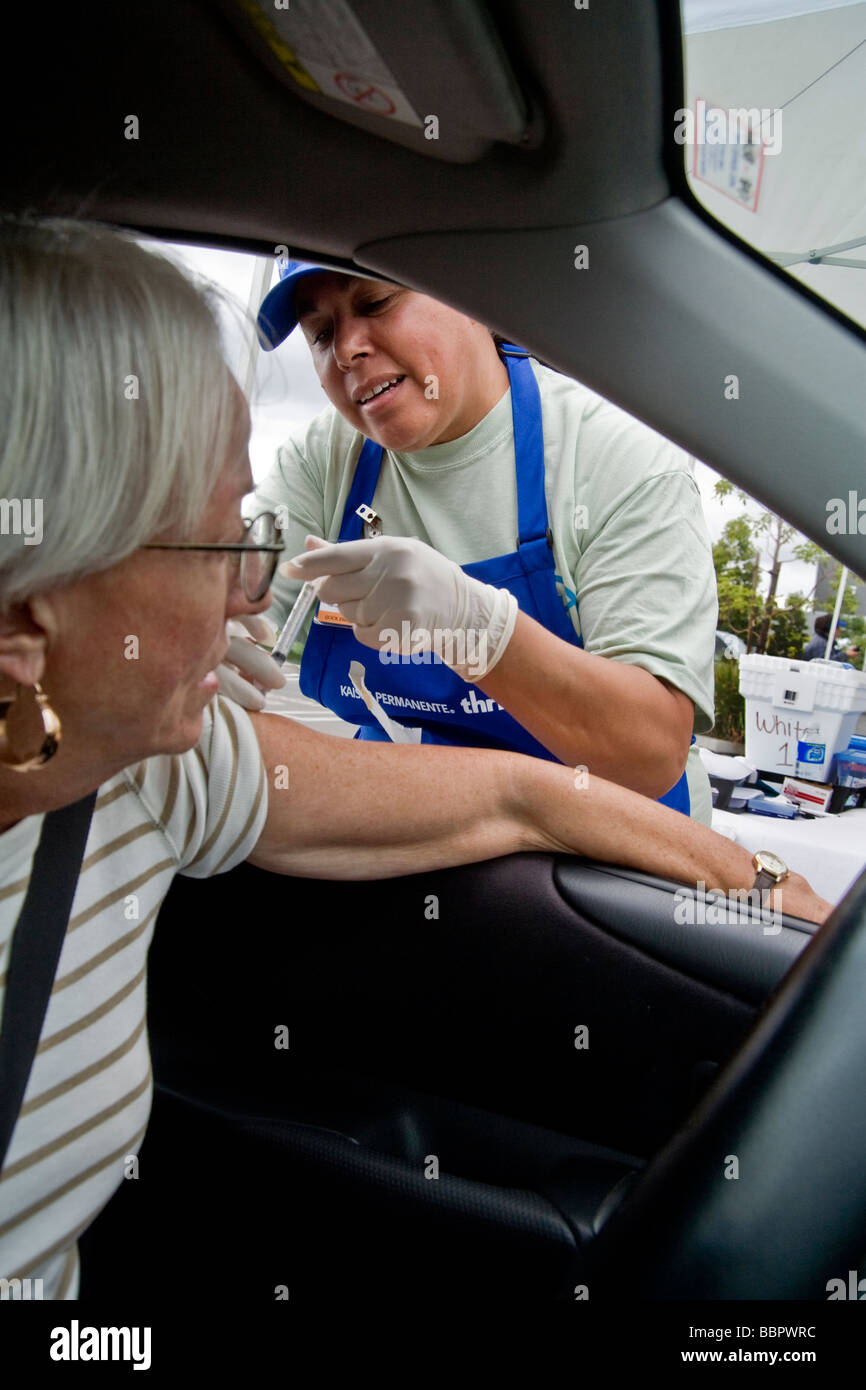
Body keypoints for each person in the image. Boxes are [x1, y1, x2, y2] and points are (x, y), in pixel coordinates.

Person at [0, 216, 829, 1301]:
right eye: (220, 546)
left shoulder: (165, 770)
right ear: (27, 622)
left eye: (372, 301)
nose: (251, 591)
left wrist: (767, 891)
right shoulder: (302, 504)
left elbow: (571, 776)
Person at [252, 261, 719, 823]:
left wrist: (474, 625)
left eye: (376, 303)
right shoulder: (323, 460)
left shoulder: (617, 461)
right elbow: (226, 605)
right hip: (412, 818)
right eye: (321, 334)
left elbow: (647, 751)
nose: (348, 348)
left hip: (601, 846)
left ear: (476, 295)